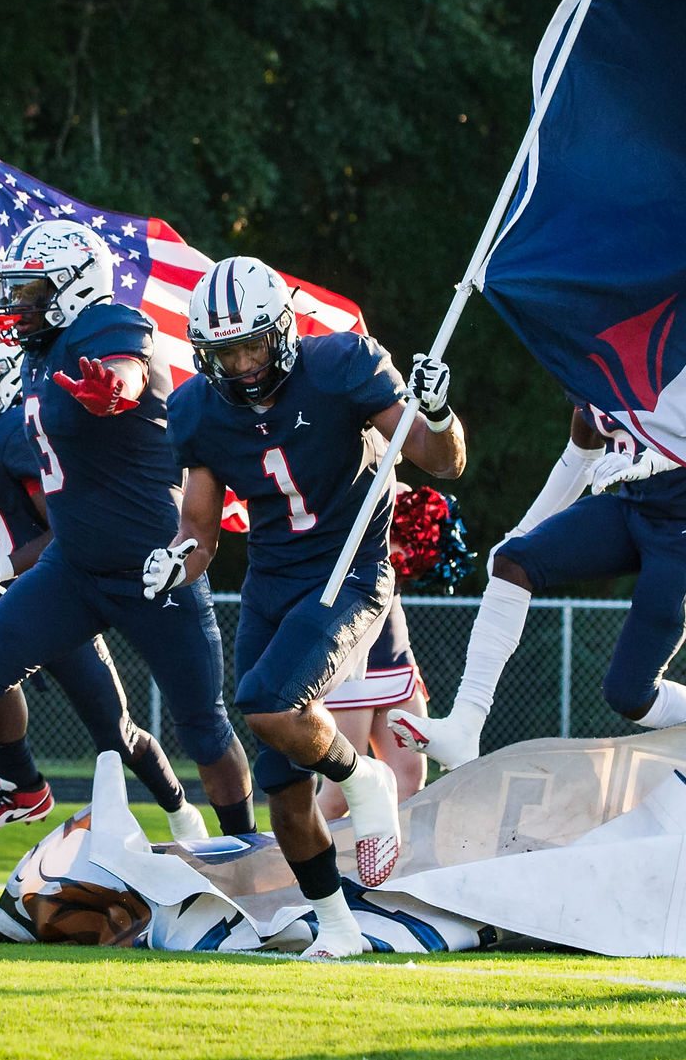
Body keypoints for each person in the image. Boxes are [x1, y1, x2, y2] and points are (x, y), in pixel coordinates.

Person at [149, 255, 464, 958]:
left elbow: (441, 460)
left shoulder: (343, 363)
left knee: (265, 702)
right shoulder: (201, 407)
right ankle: (340, 928)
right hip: (272, 581)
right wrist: (177, 560)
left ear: (282, 331)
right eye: (224, 351)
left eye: (252, 343)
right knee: (284, 793)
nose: (242, 362)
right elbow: (199, 527)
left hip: (350, 570)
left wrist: (438, 413)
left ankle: (366, 777)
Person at [0, 220, 253, 848]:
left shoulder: (108, 324)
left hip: (153, 567)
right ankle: (21, 789)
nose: (15, 306)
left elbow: (127, 369)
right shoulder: (32, 358)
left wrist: (114, 390)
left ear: (75, 287)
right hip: (74, 568)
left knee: (204, 727)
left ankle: (246, 847)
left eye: (30, 292)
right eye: (15, 291)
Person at [0, 313, 208, 909]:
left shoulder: (17, 434)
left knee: (118, 736)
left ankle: (184, 816)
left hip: (53, 607)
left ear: (3, 378)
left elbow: (62, 528)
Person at [388, 403, 686, 769]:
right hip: (633, 509)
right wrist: (519, 534)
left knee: (629, 694)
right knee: (514, 562)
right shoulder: (594, 371)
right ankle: (464, 726)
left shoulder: (683, 361)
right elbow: (580, 458)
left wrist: (650, 462)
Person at [316, 591, 426, 818]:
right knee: (340, 793)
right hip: (345, 642)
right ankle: (291, 853)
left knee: (409, 785)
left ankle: (398, 854)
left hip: (393, 648)